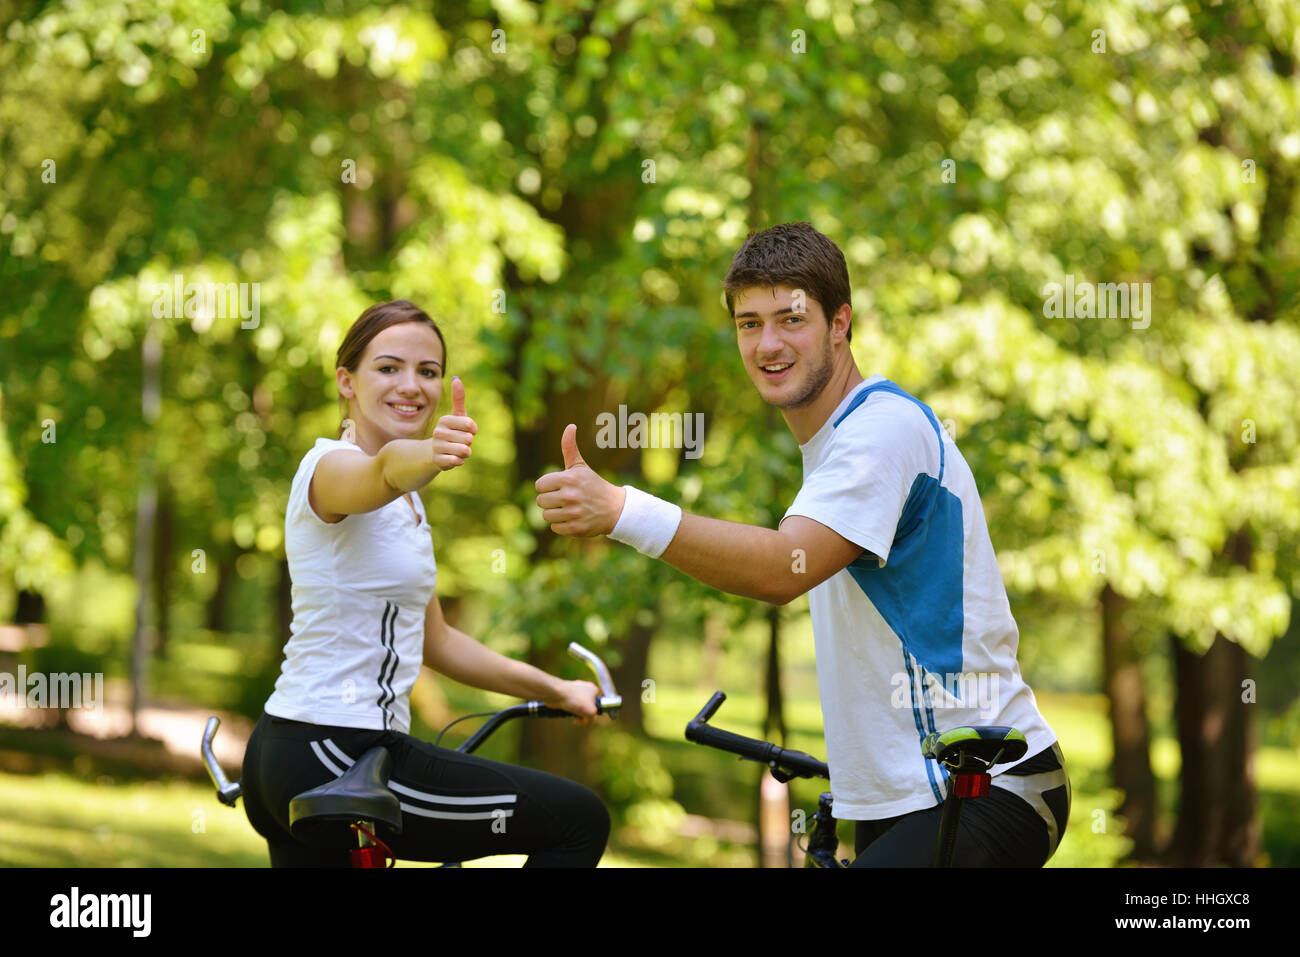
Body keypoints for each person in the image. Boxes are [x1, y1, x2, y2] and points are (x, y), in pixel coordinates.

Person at [535, 223, 1070, 867]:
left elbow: (781, 570)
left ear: (840, 322)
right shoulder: (836, 446)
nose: (767, 344)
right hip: (903, 796)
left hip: (983, 780)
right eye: (748, 323)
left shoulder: (880, 433)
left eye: (791, 319)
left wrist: (623, 509)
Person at [241, 299, 610, 867]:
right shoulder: (330, 468)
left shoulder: (408, 505)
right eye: (388, 368)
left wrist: (557, 689)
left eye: (428, 371)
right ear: (347, 382)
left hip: (297, 752)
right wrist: (432, 454)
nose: (411, 385)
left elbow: (437, 643)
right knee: (577, 822)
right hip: (338, 749)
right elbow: (382, 469)